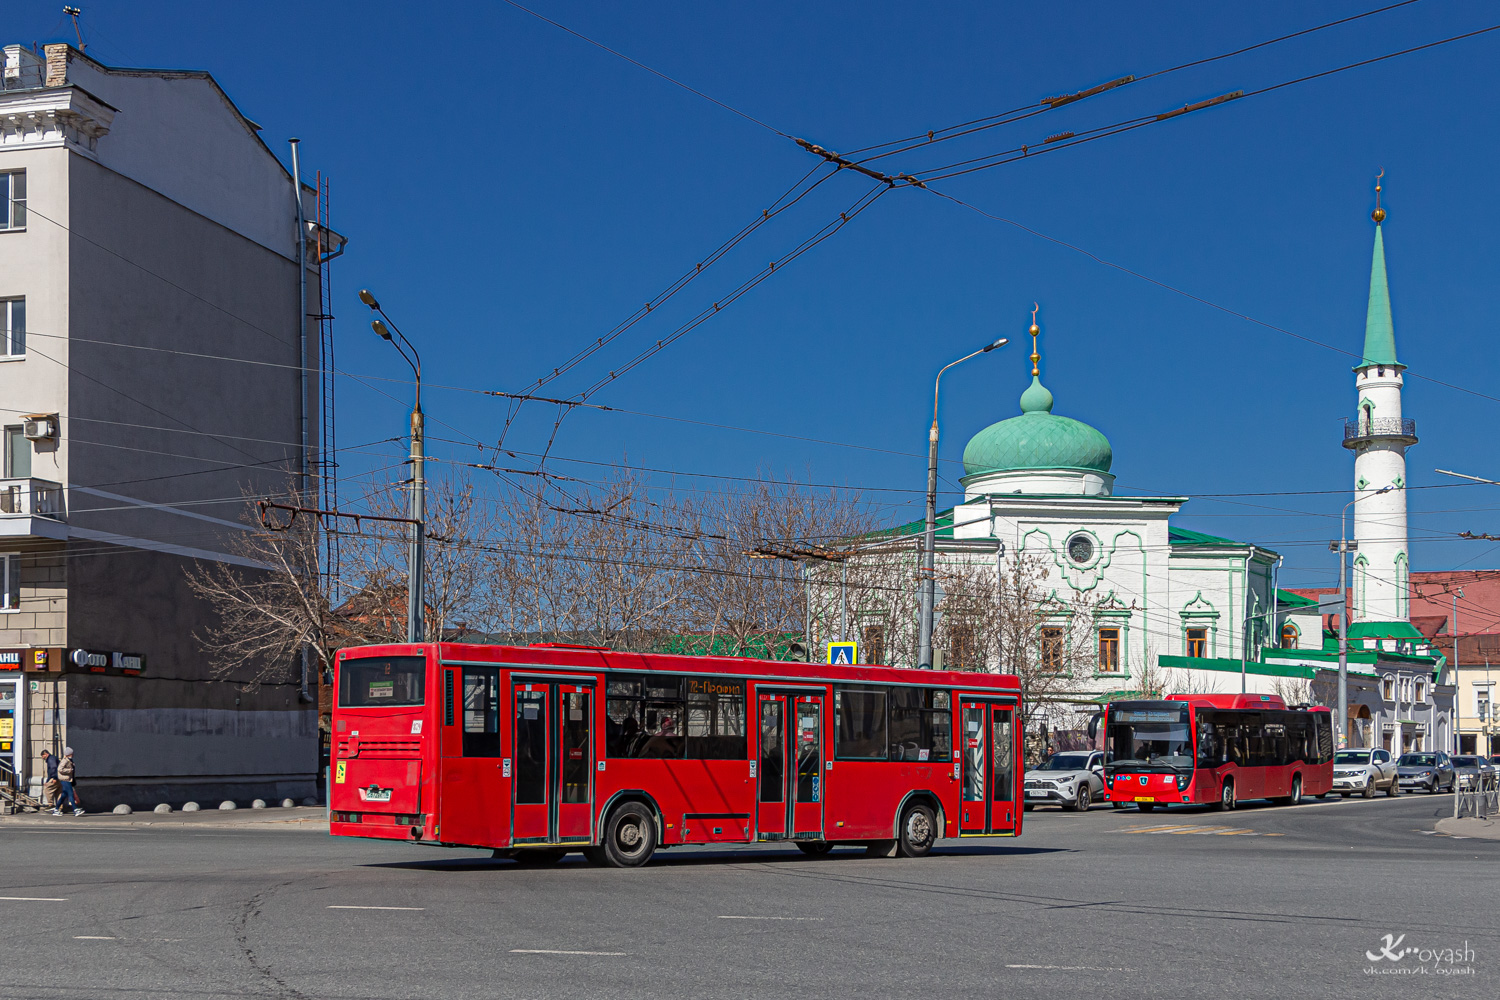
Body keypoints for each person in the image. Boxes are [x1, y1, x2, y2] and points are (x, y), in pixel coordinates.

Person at [56, 747, 83, 816]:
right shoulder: (65, 761)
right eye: (72, 753)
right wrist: (69, 770)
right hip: (65, 779)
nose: (73, 754)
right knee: (70, 794)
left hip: (67, 779)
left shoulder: (69, 760)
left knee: (64, 795)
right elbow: (60, 769)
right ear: (69, 754)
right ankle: (75, 810)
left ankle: (56, 809)